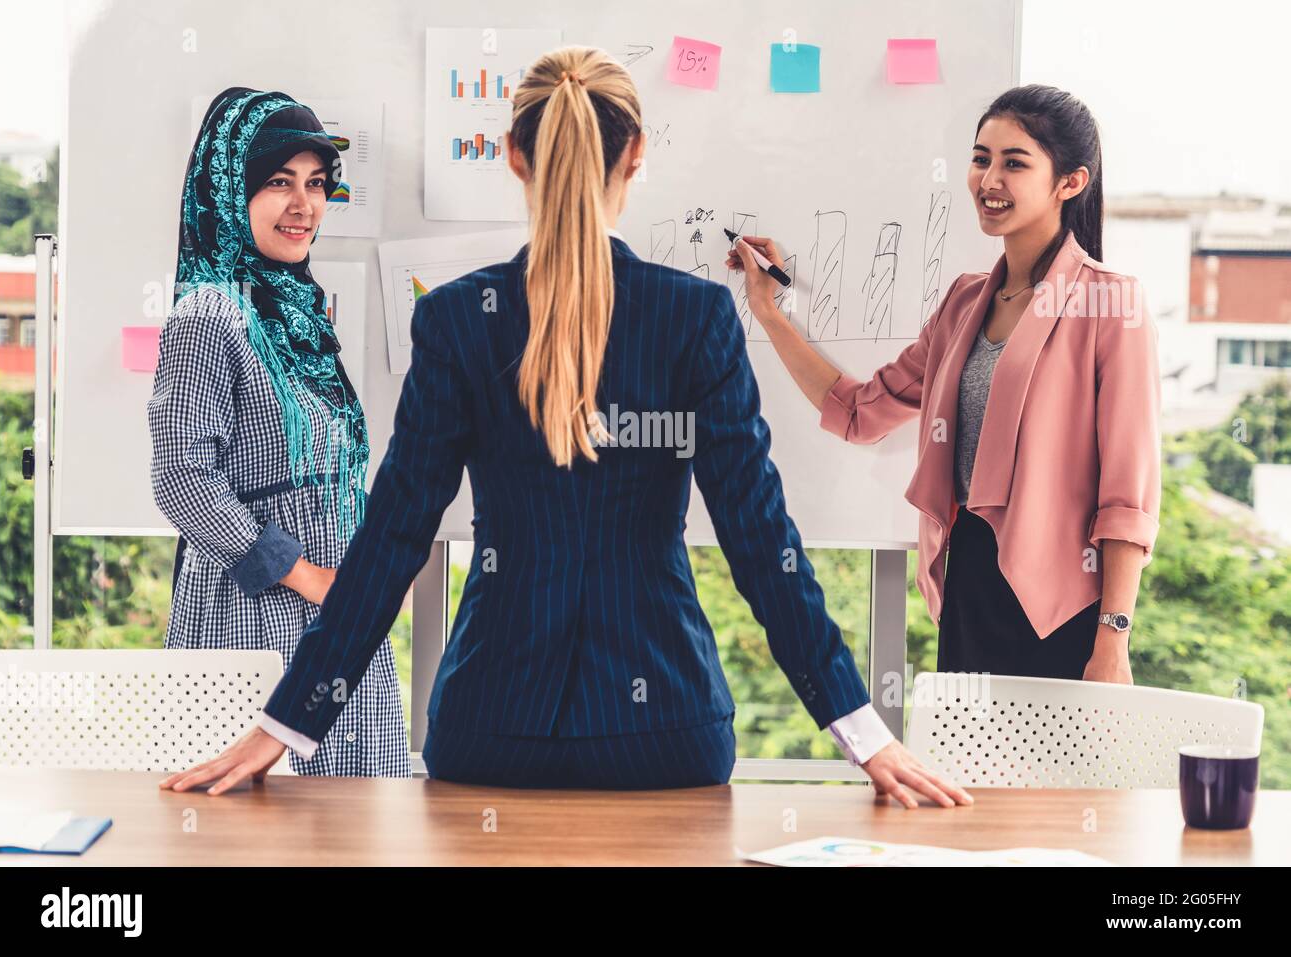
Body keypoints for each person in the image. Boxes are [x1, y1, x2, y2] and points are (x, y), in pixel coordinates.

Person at [160, 49, 970, 808]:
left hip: (491, 729)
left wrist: (284, 724)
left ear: (513, 154)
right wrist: (862, 732)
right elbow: (761, 540)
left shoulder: (455, 320)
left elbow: (392, 539)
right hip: (664, 734)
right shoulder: (694, 317)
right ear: (637, 154)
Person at [728, 85, 1161, 682]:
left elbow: (1128, 497)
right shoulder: (963, 303)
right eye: (981, 158)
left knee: (1060, 780)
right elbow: (859, 411)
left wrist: (1113, 638)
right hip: (969, 588)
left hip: (1066, 610)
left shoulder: (1112, 303)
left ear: (1071, 183)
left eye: (1015, 163)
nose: (989, 179)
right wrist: (770, 313)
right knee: (967, 777)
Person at [148, 87, 410, 777]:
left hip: (335, 615)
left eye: (317, 184)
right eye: (278, 182)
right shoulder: (209, 314)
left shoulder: (300, 312)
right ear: (230, 189)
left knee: (351, 835)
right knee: (252, 837)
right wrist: (306, 574)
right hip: (254, 612)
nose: (304, 205)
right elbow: (181, 479)